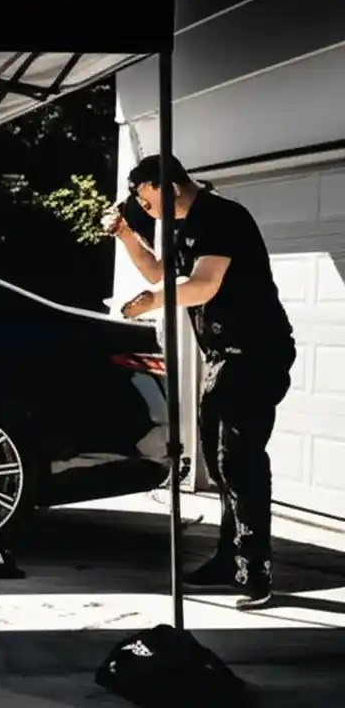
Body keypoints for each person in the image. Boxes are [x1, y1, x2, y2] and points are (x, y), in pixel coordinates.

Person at [105, 154, 296, 610]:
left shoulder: (223, 217)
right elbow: (161, 273)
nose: (140, 203)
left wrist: (150, 303)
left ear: (166, 185)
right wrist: (127, 235)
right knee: (218, 458)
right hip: (223, 357)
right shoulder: (181, 225)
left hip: (255, 352)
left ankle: (255, 570)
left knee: (239, 459)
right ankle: (229, 560)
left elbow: (204, 285)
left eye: (143, 194)